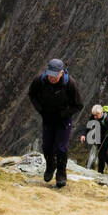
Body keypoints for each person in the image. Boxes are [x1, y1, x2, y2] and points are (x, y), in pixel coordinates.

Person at [28, 58, 82, 188]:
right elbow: (32, 94)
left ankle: (61, 174)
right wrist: (41, 110)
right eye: (50, 75)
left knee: (61, 148)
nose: (52, 78)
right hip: (47, 118)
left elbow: (78, 105)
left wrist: (63, 114)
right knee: (47, 146)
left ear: (62, 73)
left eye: (55, 75)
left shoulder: (70, 84)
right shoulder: (40, 80)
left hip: (63, 120)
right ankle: (50, 166)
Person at [81, 104, 108, 174]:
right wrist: (83, 135)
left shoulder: (107, 120)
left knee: (101, 154)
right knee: (103, 153)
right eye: (94, 115)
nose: (95, 117)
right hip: (99, 136)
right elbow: (89, 126)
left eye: (97, 115)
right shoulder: (94, 116)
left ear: (101, 113)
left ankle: (100, 172)